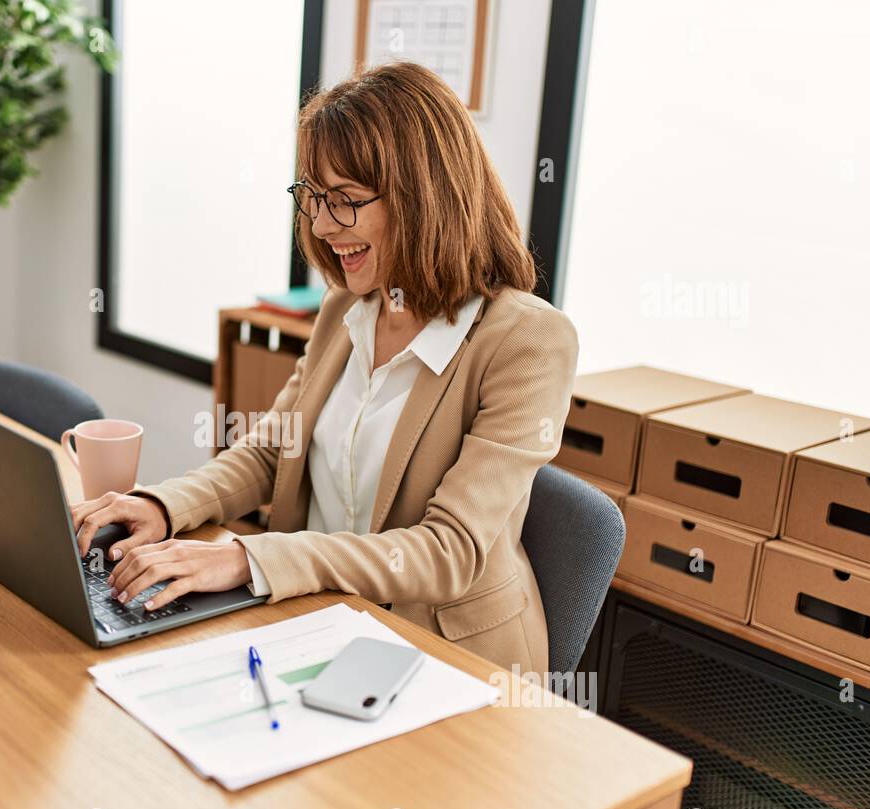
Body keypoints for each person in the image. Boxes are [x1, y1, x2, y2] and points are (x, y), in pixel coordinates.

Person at [72, 61, 577, 674]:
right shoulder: (347, 307)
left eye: (346, 201)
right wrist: (161, 505)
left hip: (442, 658)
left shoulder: (528, 340)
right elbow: (270, 453)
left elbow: (448, 553)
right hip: (315, 621)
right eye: (312, 197)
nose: (320, 225)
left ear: (426, 197)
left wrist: (253, 560)